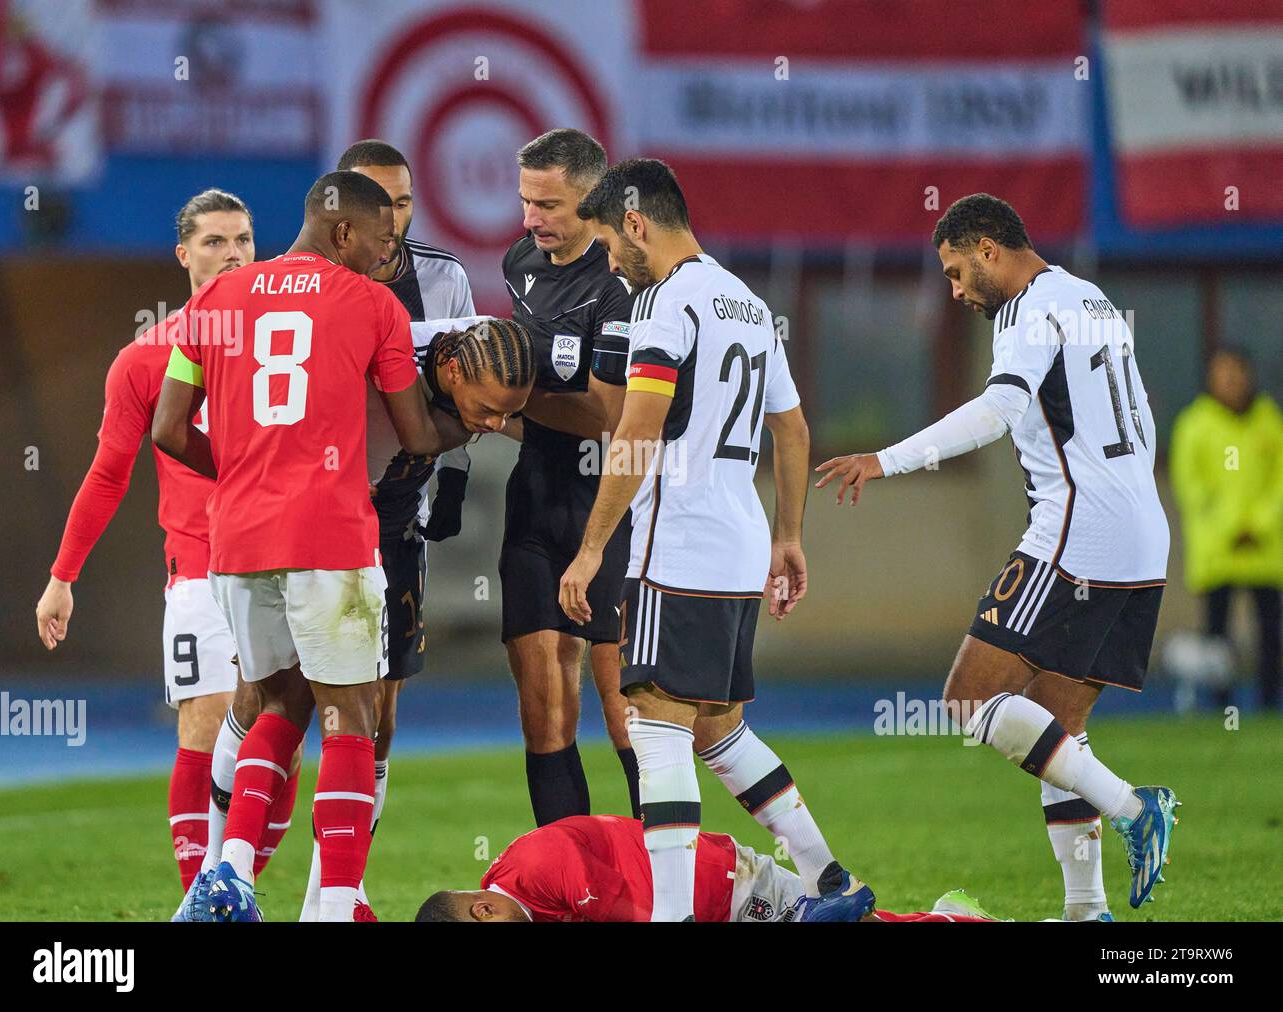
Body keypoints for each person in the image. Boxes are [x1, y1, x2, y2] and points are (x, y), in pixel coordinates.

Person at [815, 193, 1179, 917]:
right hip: (1142, 531)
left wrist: (886, 459)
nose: (954, 290)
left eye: (955, 271)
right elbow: (1139, 415)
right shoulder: (1093, 299)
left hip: (1078, 532)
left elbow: (997, 410)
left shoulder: (1026, 311)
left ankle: (1134, 808)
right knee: (1058, 726)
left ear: (989, 248)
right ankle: (1087, 910)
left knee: (968, 699)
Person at [558, 158, 873, 923]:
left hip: (681, 543)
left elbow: (635, 433)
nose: (608, 261)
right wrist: (789, 535)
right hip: (739, 542)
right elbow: (792, 428)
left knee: (654, 724)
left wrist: (594, 546)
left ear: (636, 224)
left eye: (607, 243)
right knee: (718, 729)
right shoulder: (748, 303)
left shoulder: (666, 306)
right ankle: (829, 880)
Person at [152, 170, 452, 921]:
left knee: (274, 703)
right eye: (384, 242)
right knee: (351, 716)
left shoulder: (216, 300)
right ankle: (337, 903)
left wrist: (245, 470)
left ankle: (233, 876)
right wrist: (487, 418)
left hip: (238, 541)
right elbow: (416, 436)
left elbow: (167, 430)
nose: (392, 256)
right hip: (330, 536)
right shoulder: (373, 305)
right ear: (344, 231)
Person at [33, 189, 302, 898]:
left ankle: (231, 884)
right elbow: (108, 474)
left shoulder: (288, 342)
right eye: (214, 241)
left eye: (242, 240)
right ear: (183, 254)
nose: (232, 254)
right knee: (205, 724)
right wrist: (64, 575)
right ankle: (199, 897)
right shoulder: (146, 359)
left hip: (288, 563)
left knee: (280, 743)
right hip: (201, 572)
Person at [291, 138, 487, 921]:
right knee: (285, 698)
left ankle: (336, 887)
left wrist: (458, 483)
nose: (394, 220)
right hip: (316, 505)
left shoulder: (442, 278)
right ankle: (234, 870)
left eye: (404, 202)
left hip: (396, 511)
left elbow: (464, 389)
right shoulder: (304, 282)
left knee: (380, 705)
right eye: (379, 203)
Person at [500, 128, 639, 824]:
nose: (531, 220)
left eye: (548, 204)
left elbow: (610, 414)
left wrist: (508, 393)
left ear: (591, 199)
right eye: (526, 201)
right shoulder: (519, 260)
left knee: (627, 714)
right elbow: (532, 402)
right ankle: (571, 884)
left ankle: (667, 886)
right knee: (543, 711)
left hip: (609, 505)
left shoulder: (622, 280)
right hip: (533, 500)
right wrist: (487, 406)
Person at [415, 815, 999, 923]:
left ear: (482, 909)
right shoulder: (522, 900)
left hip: (726, 886)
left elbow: (653, 910)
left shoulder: (542, 868)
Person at [1170, 347, 1283, 711]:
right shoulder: (1195, 425)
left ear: (1248, 374)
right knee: (1218, 634)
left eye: (1237, 372)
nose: (1231, 380)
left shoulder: (1269, 421)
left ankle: (1269, 703)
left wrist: (1259, 524)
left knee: (1270, 630)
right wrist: (1232, 526)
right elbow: (1190, 485)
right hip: (1218, 549)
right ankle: (1223, 707)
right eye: (1223, 373)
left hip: (1263, 549)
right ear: (1210, 378)